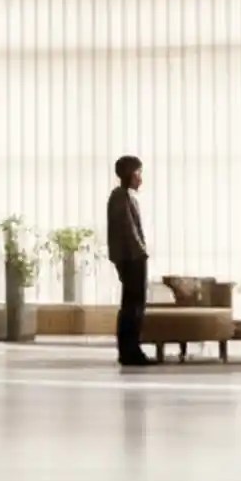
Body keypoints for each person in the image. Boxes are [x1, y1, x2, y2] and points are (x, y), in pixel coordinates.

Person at [107, 155, 152, 367]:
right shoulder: (120, 197)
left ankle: (132, 349)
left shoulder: (126, 196)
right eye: (138, 173)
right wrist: (141, 253)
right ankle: (129, 351)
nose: (140, 178)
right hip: (131, 258)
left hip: (133, 257)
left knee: (134, 305)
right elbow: (127, 232)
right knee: (132, 306)